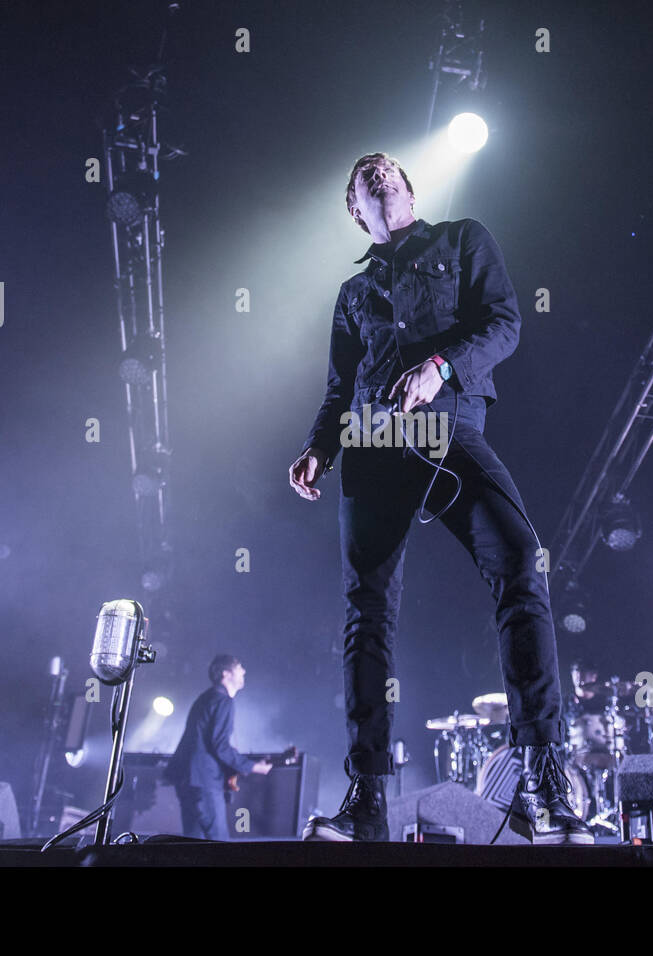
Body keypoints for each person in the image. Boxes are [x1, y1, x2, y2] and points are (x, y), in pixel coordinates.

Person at [289, 152, 592, 845]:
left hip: (447, 425)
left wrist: (440, 365)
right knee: (367, 611)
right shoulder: (352, 294)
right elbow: (340, 390)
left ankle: (542, 780)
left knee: (521, 561)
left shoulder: (462, 239)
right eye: (367, 173)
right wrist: (318, 447)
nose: (379, 169)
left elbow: (505, 323)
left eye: (389, 166)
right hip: (368, 442)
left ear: (408, 189)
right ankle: (366, 801)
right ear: (354, 210)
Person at [163, 654, 271, 840]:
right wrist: (253, 767)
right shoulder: (223, 701)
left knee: (191, 842)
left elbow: (202, 743)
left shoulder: (205, 698)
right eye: (239, 667)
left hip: (187, 779)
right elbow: (220, 746)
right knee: (219, 844)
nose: (243, 671)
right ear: (226, 674)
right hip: (204, 781)